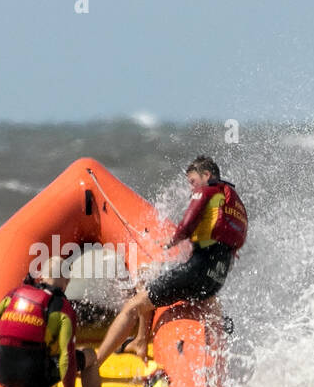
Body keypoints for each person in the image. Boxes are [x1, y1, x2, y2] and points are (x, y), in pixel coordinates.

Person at [94, 156, 247, 365]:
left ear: (206, 176)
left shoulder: (206, 191)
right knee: (165, 284)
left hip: (196, 272)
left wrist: (170, 242)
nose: (191, 187)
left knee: (133, 306)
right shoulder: (233, 201)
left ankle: (96, 360)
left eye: (193, 181)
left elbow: (187, 223)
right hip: (216, 279)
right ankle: (142, 340)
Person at [0, 256, 102, 387]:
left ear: (41, 277)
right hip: (34, 379)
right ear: (67, 283)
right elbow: (67, 361)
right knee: (90, 355)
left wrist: (8, 350)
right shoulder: (63, 309)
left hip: (3, 374)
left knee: (34, 349)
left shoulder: (14, 294)